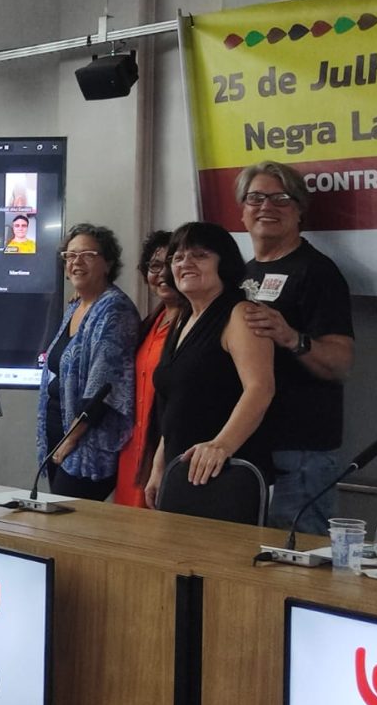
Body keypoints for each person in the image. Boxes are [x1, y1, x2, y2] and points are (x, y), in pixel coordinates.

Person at [235, 161, 354, 533]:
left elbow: (341, 363)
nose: (266, 207)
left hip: (301, 451)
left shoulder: (317, 272)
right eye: (256, 197)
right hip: (251, 447)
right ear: (241, 210)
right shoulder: (242, 273)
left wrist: (292, 338)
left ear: (300, 210)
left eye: (280, 198)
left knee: (298, 568)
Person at [144, 222, 275, 516]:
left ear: (223, 264)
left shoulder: (240, 314)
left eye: (199, 255)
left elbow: (260, 388)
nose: (185, 263)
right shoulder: (182, 319)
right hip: (182, 472)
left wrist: (221, 445)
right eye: (177, 257)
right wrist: (159, 466)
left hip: (228, 474)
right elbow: (175, 402)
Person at [35, 224, 139, 501]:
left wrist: (70, 439)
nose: (76, 262)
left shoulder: (114, 310)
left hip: (87, 443)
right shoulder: (76, 305)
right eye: (70, 256)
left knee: (62, 529)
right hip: (58, 434)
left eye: (87, 254)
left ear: (108, 263)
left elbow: (102, 389)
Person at [113, 232, 181, 508]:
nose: (162, 273)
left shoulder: (194, 326)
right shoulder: (151, 322)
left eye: (171, 263)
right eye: (154, 266)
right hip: (134, 451)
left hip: (165, 451)